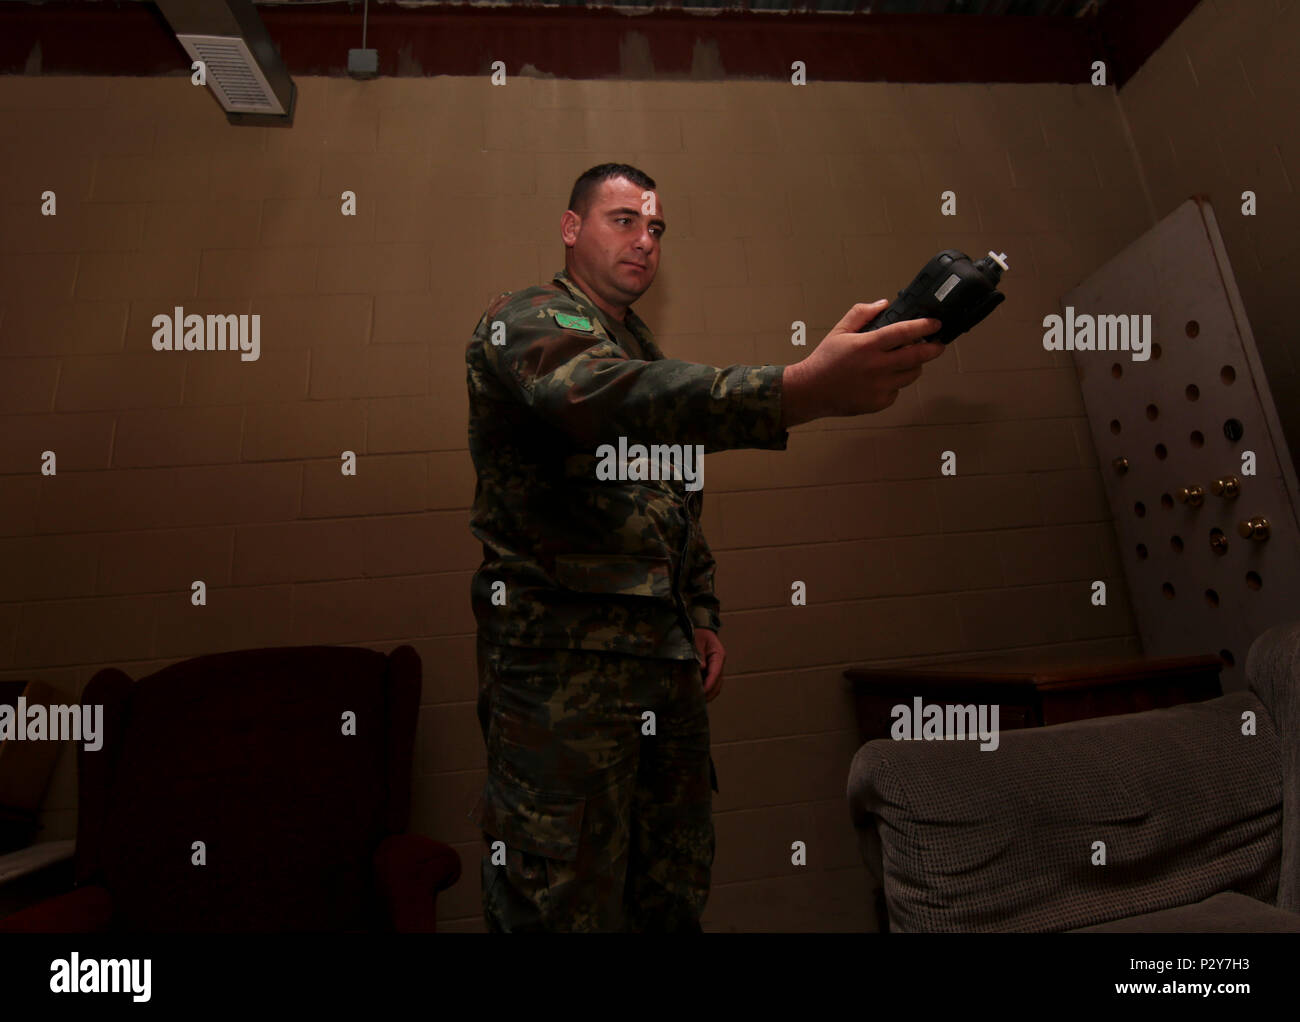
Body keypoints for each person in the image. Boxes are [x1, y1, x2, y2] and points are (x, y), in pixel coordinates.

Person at [465, 162, 944, 932]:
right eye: (623, 220)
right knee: (559, 897)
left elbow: (674, 497)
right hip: (559, 669)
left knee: (670, 883)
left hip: (663, 660)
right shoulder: (528, 319)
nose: (645, 241)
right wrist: (794, 391)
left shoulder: (640, 350)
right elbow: (596, 400)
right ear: (570, 227)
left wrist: (700, 608)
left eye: (656, 228)